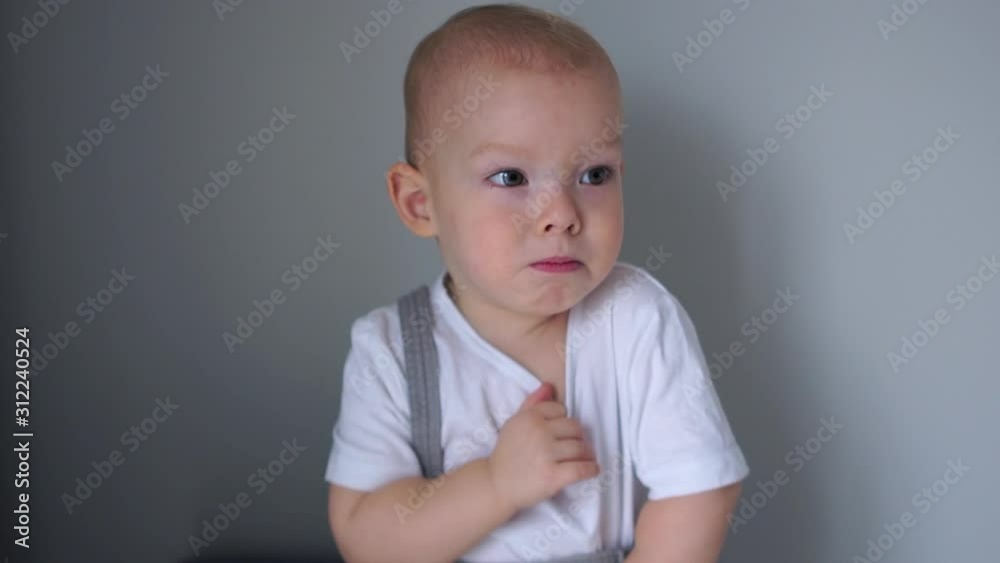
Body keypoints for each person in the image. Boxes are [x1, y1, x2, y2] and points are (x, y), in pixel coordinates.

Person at [324, 4, 750, 561]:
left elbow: (701, 487)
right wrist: (496, 484)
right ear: (420, 203)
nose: (562, 214)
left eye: (594, 174)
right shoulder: (390, 351)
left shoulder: (637, 318)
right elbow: (364, 538)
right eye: (511, 177)